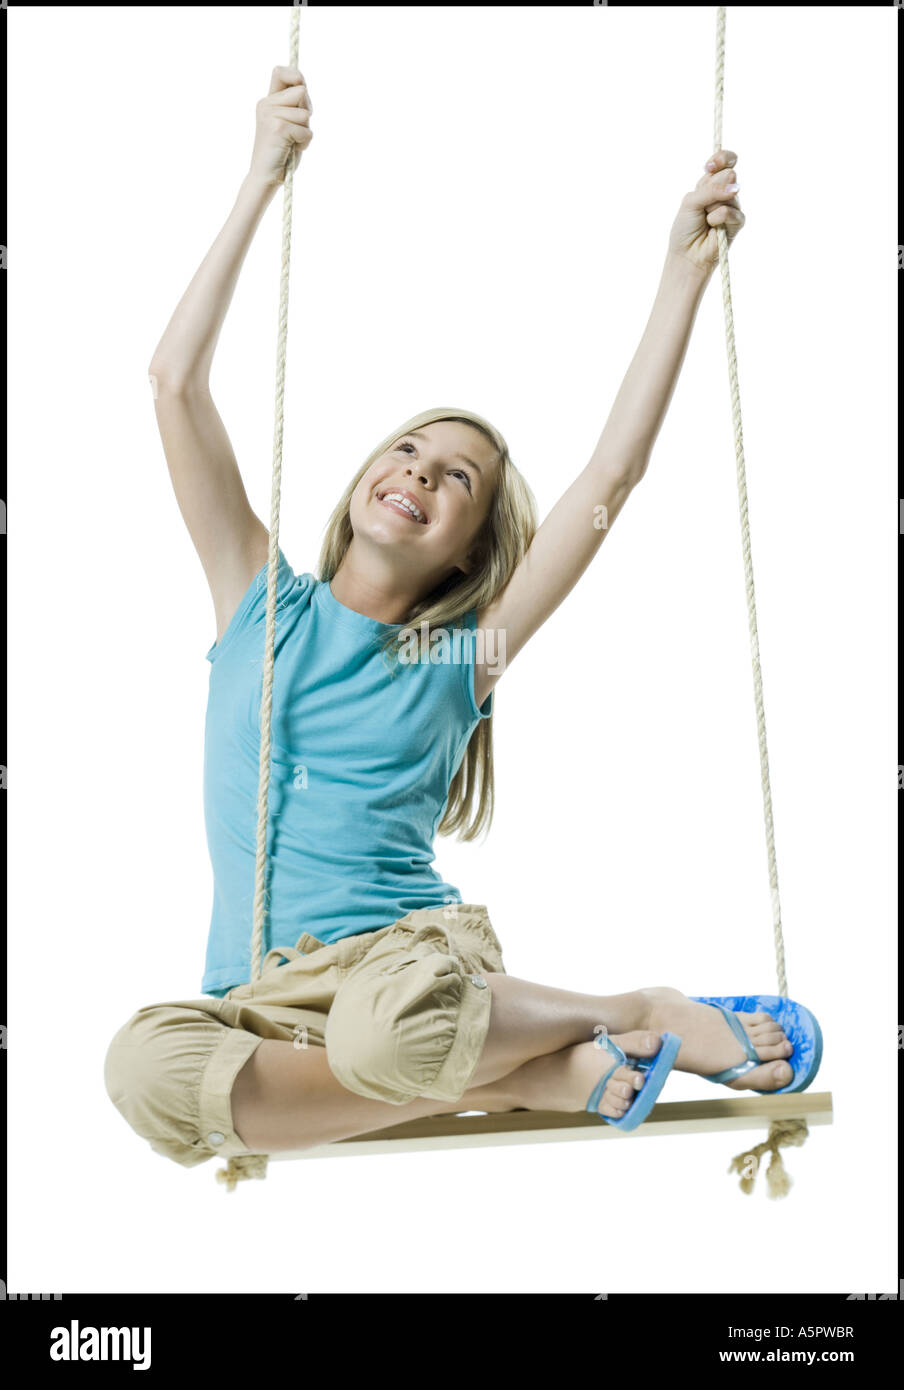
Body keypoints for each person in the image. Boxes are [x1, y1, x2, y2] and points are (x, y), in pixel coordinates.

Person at [105, 64, 796, 1173]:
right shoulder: (256, 603)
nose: (419, 475)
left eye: (457, 480)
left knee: (393, 1034)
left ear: (468, 549)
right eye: (410, 451)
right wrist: (258, 179)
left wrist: (682, 276)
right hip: (262, 997)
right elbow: (173, 381)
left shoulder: (454, 655)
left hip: (404, 974)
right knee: (144, 1073)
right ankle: (534, 1074)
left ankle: (628, 1007)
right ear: (367, 475)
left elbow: (606, 481)